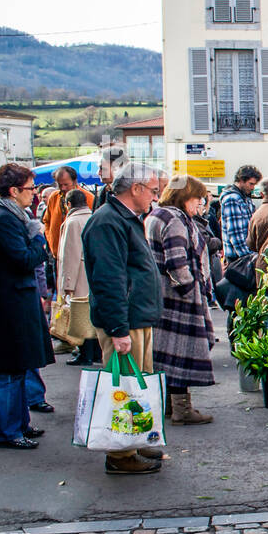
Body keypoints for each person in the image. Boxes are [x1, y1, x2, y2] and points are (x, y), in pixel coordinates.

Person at [81, 162, 164, 475]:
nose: (154, 198)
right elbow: (108, 279)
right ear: (136, 188)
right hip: (124, 319)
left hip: (134, 317)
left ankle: (136, 440)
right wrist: (118, 329)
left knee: (137, 386)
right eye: (153, 191)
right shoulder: (108, 222)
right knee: (125, 388)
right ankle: (121, 453)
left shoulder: (122, 219)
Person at [0, 164, 55, 449]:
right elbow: (24, 259)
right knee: (9, 371)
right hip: (9, 306)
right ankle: (9, 431)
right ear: (14, 191)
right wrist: (38, 237)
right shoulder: (3, 220)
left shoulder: (8, 216)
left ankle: (18, 424)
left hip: (13, 302)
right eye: (30, 189)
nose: (34, 194)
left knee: (18, 369)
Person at [147, 175, 218, 425]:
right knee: (181, 352)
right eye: (197, 198)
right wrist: (190, 289)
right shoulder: (176, 220)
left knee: (166, 354)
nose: (199, 203)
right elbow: (176, 261)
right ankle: (182, 409)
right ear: (186, 196)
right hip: (178, 297)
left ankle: (170, 405)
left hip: (161, 294)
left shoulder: (157, 215)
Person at [57, 189, 102, 366]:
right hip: (94, 272)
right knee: (92, 315)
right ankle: (96, 352)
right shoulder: (94, 217)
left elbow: (70, 254)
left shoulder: (73, 222)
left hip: (79, 274)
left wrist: (67, 283)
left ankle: (85, 354)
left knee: (80, 317)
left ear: (68, 204)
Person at [42, 165, 95, 263]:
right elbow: (47, 221)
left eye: (66, 184)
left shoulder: (89, 198)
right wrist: (51, 241)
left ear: (75, 181)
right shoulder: (54, 197)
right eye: (59, 185)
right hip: (57, 254)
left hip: (79, 256)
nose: (63, 188)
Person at [219, 164, 260, 263]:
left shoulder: (244, 198)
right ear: (241, 180)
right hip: (238, 258)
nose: (253, 187)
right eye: (251, 184)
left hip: (243, 256)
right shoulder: (233, 199)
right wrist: (249, 258)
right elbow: (236, 235)